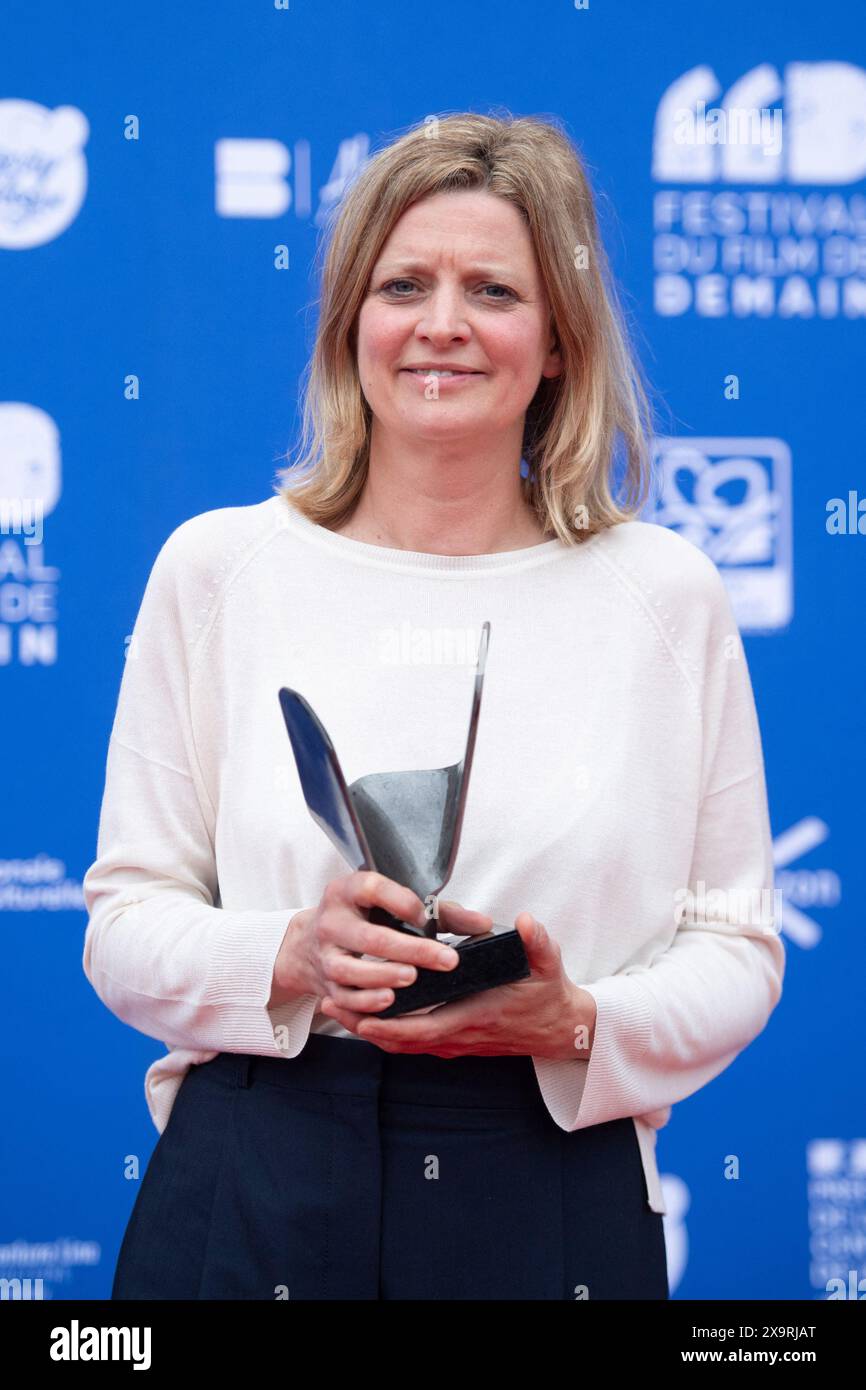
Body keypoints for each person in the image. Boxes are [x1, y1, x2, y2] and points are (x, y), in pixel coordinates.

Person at [82, 110, 785, 1301]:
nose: (440, 325)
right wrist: (293, 953)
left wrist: (568, 1020)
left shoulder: (664, 594)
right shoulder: (216, 570)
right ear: (352, 322)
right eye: (402, 283)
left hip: (547, 1179)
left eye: (492, 291)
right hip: (252, 1181)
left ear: (558, 341)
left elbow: (733, 946)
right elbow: (123, 926)